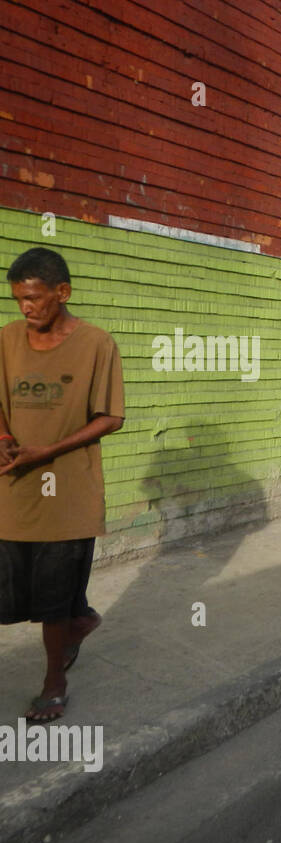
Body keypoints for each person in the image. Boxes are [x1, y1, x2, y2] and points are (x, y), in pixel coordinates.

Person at [1, 247, 125, 720]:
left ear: (63, 292)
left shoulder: (97, 344)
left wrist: (47, 451)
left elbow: (110, 417)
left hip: (68, 489)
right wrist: (6, 436)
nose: (26, 308)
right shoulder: (6, 340)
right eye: (18, 300)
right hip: (14, 486)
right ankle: (82, 618)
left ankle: (54, 682)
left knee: (53, 595)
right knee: (15, 591)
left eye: (34, 298)